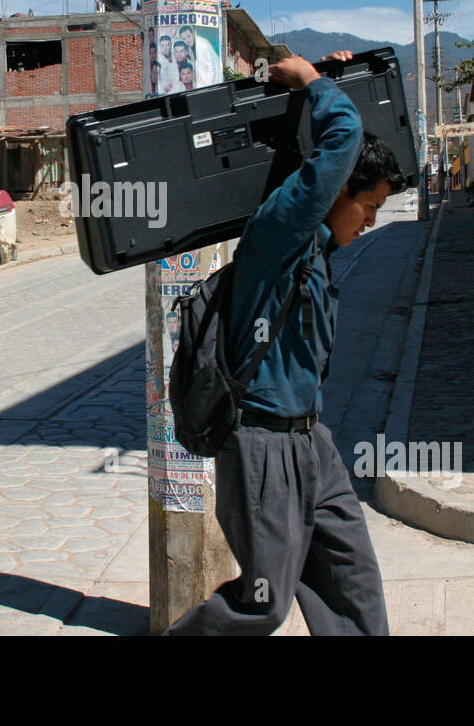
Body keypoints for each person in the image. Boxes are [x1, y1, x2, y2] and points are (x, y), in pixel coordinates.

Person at [165, 51, 403, 636]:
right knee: (263, 602)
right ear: (334, 193)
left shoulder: (315, 246)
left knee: (355, 590)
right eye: (369, 206)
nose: (371, 221)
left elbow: (344, 142)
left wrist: (334, 76)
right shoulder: (280, 232)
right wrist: (313, 81)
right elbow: (343, 139)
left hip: (310, 444)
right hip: (263, 448)